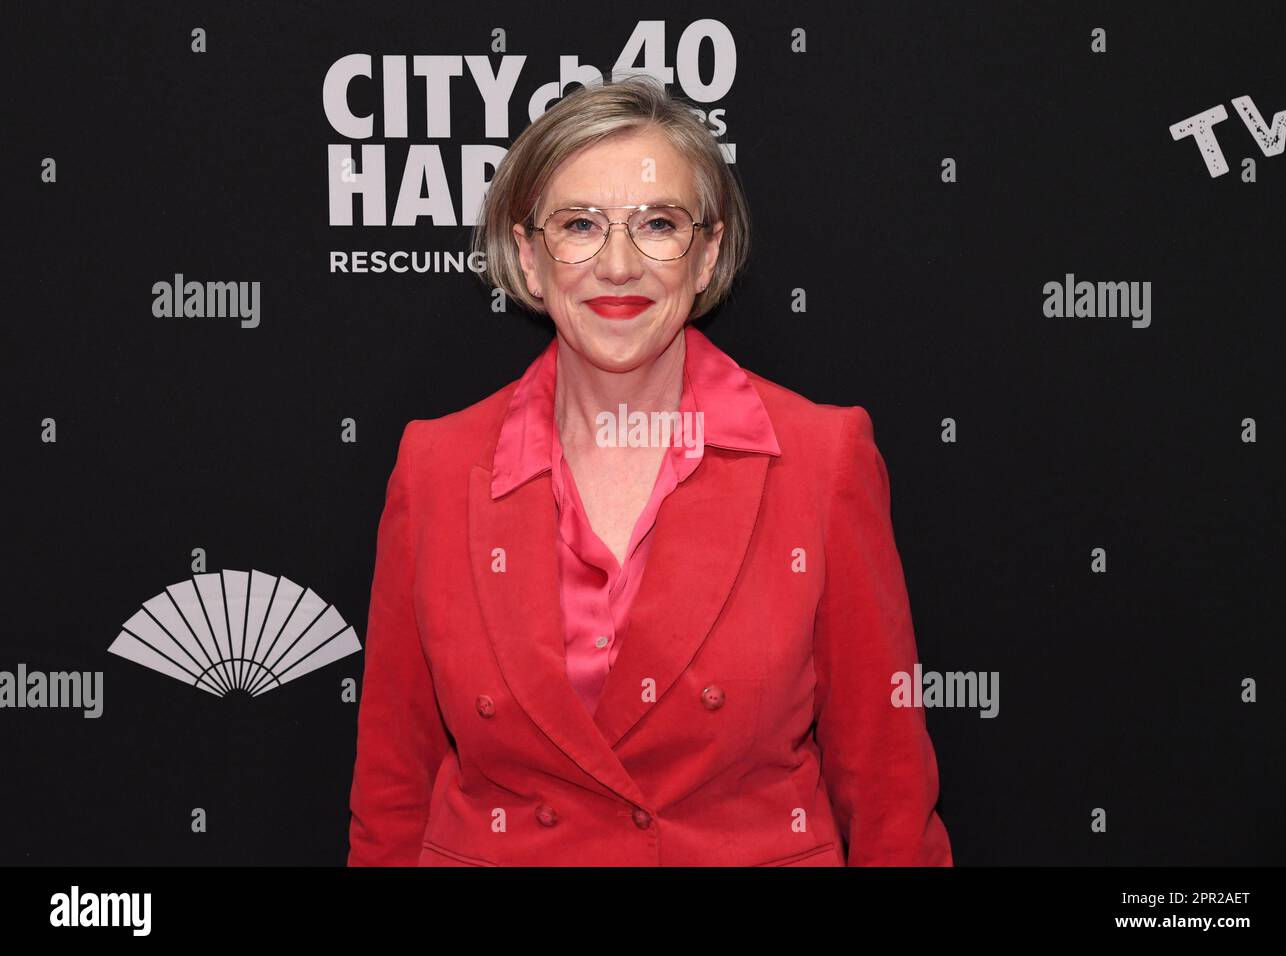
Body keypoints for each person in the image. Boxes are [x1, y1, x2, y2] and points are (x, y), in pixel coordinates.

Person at [346, 74, 953, 866]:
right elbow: (392, 789)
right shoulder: (435, 466)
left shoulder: (822, 459)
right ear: (528, 256)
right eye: (580, 225)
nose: (618, 265)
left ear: (706, 254)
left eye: (658, 224)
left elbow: (888, 793)